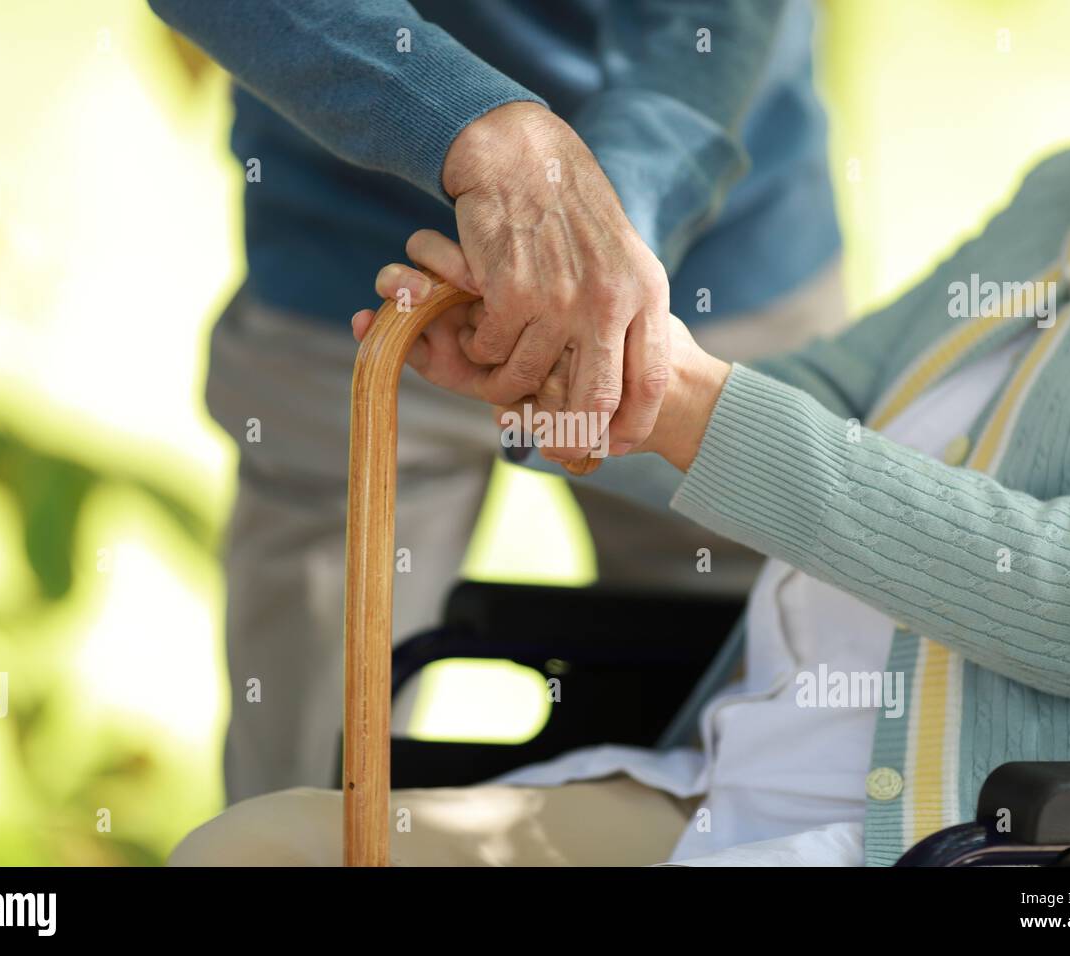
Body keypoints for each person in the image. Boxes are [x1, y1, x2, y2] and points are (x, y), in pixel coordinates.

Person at [169, 1, 1070, 866]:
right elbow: (836, 397)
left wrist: (639, 343)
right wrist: (554, 366)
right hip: (717, 788)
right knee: (252, 848)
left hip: (925, 832)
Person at [146, 0, 844, 804]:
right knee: (308, 784)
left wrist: (601, 239)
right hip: (352, 280)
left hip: (718, 277)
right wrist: (474, 133)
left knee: (756, 747)